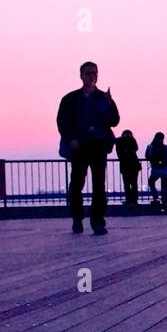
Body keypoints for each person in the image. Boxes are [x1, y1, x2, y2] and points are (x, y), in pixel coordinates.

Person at [57, 61, 120, 235]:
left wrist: (110, 104)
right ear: (81, 75)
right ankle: (77, 219)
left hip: (99, 145)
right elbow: (62, 122)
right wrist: (70, 139)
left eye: (94, 73)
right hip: (79, 146)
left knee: (99, 184)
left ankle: (98, 221)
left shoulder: (103, 98)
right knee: (77, 183)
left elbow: (114, 121)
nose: (92, 76)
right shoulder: (70, 99)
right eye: (88, 73)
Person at [115, 129, 141, 210]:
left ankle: (128, 200)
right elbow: (136, 148)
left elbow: (118, 152)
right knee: (134, 183)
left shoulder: (119, 140)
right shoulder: (132, 140)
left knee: (126, 184)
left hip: (124, 165)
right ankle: (135, 201)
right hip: (134, 165)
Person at [145, 132, 167, 210]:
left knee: (151, 182)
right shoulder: (166, 147)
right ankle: (164, 202)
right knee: (164, 186)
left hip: (155, 169)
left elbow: (147, 156)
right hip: (165, 169)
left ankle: (156, 198)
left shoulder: (150, 147)